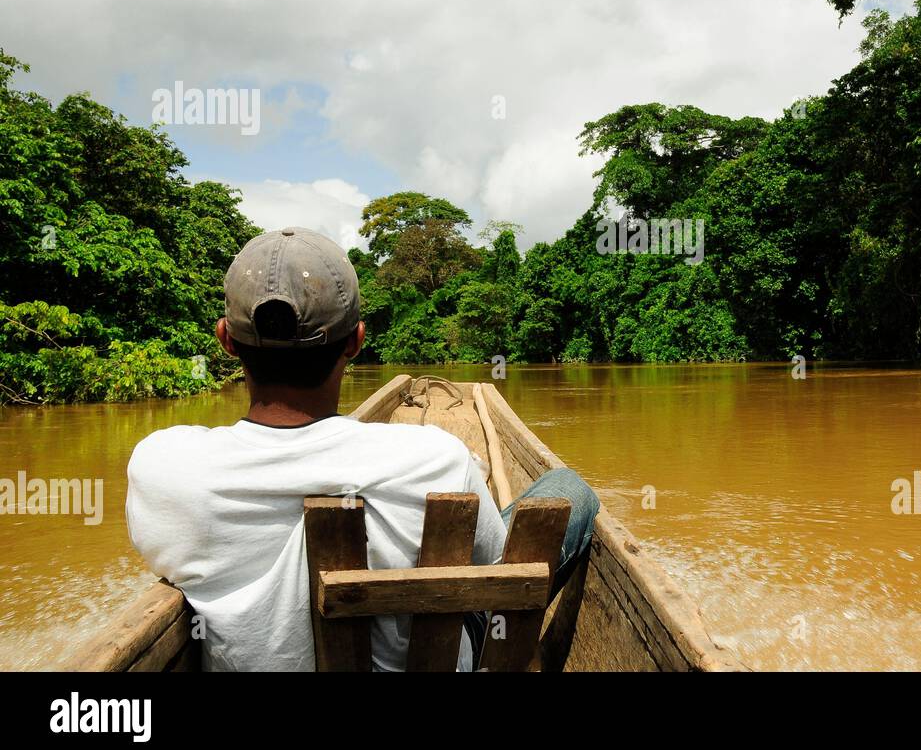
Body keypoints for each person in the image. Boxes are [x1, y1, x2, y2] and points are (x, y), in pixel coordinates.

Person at [126, 227, 598, 671]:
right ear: (356, 340)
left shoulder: (161, 466)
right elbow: (494, 567)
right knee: (570, 489)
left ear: (226, 339)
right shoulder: (439, 457)